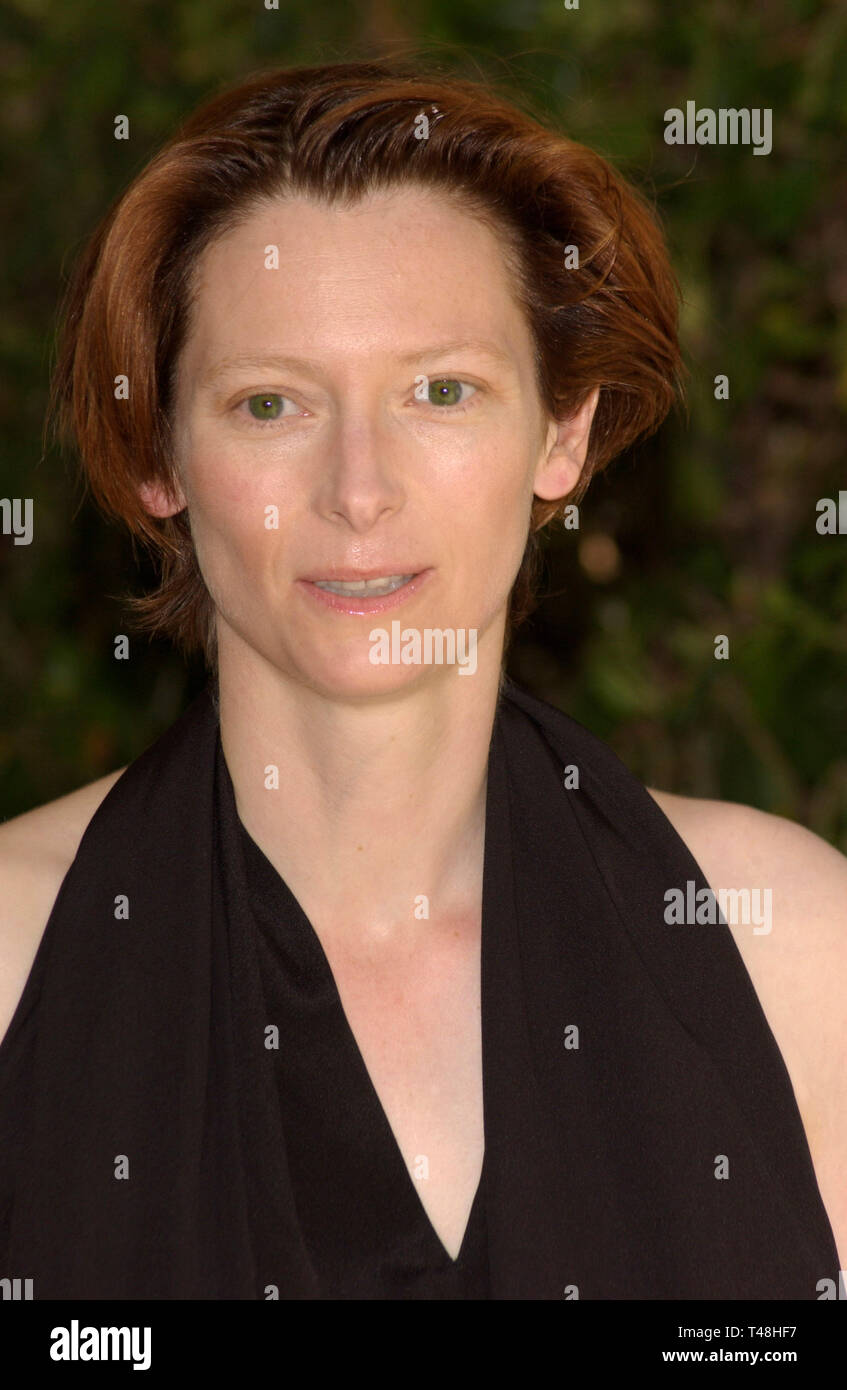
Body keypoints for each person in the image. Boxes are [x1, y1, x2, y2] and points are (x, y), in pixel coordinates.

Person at [0, 58, 844, 1300]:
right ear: (157, 459)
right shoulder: (17, 955)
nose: (359, 489)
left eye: (440, 391)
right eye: (271, 403)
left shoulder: (792, 954)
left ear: (562, 433)